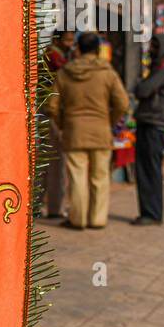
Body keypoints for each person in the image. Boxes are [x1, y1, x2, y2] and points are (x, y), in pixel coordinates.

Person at [45, 31, 129, 229]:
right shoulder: (107, 72)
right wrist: (109, 121)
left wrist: (64, 124)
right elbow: (123, 103)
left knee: (77, 176)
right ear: (98, 50)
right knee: (100, 176)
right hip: (101, 130)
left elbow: (52, 106)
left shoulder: (65, 73)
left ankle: (77, 219)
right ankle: (97, 219)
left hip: (74, 131)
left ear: (78, 49)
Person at [131, 33, 164, 225]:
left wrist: (139, 85)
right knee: (145, 170)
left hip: (153, 125)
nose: (151, 50)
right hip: (149, 123)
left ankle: (152, 213)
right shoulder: (157, 70)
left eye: (156, 47)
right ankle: (148, 211)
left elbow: (142, 90)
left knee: (149, 170)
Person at [42, 31, 74, 218]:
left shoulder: (59, 55)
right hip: (50, 114)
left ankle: (48, 205)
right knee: (55, 163)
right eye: (67, 40)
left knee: (50, 164)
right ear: (57, 40)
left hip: (51, 112)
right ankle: (53, 207)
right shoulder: (53, 55)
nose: (70, 44)